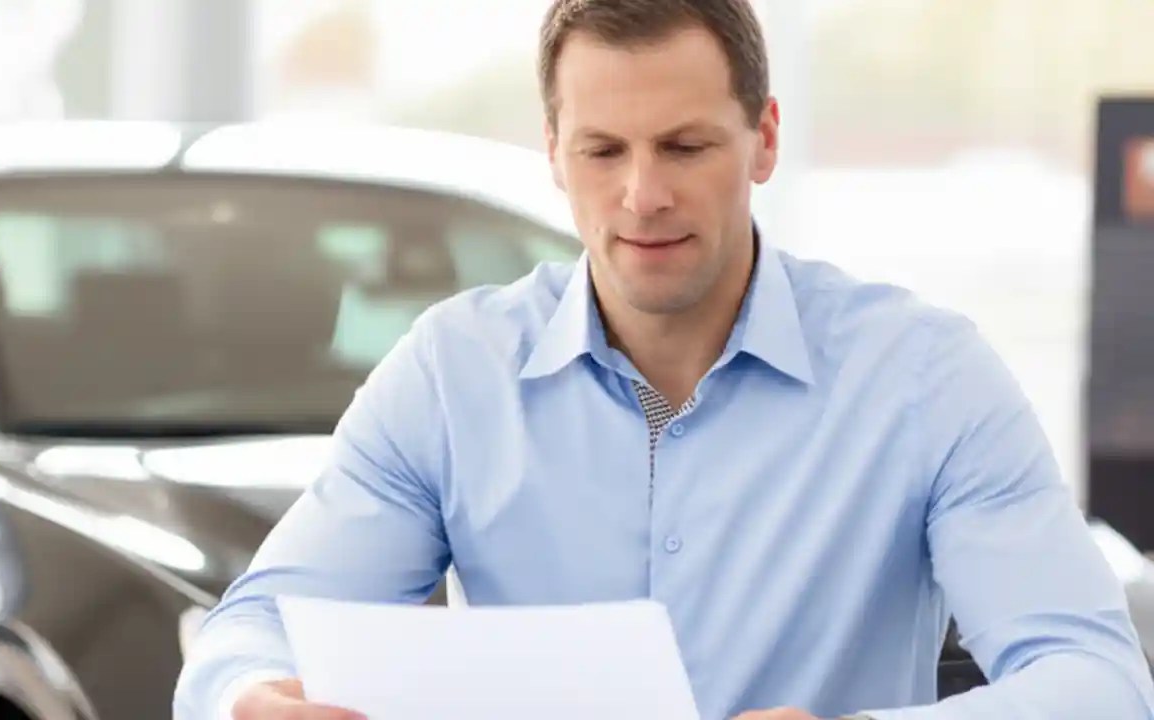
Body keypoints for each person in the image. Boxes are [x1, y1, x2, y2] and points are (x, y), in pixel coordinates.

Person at [173, 1, 1154, 718]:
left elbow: (1095, 680)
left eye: (684, 147)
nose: (641, 196)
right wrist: (250, 698)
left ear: (762, 139)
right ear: (552, 151)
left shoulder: (922, 378)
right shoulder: (450, 375)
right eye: (603, 151)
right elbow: (249, 630)